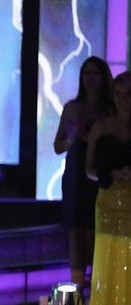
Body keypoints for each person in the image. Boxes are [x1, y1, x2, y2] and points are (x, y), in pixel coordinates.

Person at [53, 56, 115, 286]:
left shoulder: (110, 111)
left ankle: (98, 285)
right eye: (86, 73)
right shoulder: (71, 108)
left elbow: (109, 146)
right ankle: (76, 286)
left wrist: (85, 135)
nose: (90, 78)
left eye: (95, 73)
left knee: (93, 231)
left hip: (99, 175)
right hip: (74, 176)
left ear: (103, 77)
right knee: (75, 231)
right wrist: (71, 138)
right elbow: (57, 146)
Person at [85, 70, 131, 305]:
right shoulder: (102, 126)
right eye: (118, 94)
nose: (123, 100)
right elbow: (89, 169)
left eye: (129, 95)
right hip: (108, 203)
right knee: (107, 261)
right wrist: (111, 173)